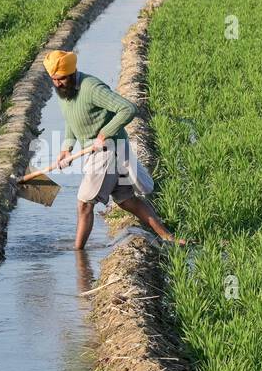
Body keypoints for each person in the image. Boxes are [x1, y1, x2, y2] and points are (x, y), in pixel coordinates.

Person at [43, 49, 184, 250]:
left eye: (61, 79)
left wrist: (105, 132)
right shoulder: (64, 92)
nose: (57, 84)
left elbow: (128, 108)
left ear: (72, 72)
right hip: (97, 151)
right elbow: (71, 118)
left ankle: (77, 253)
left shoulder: (91, 88)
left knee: (84, 203)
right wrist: (67, 148)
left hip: (108, 150)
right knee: (126, 201)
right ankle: (168, 237)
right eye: (54, 80)